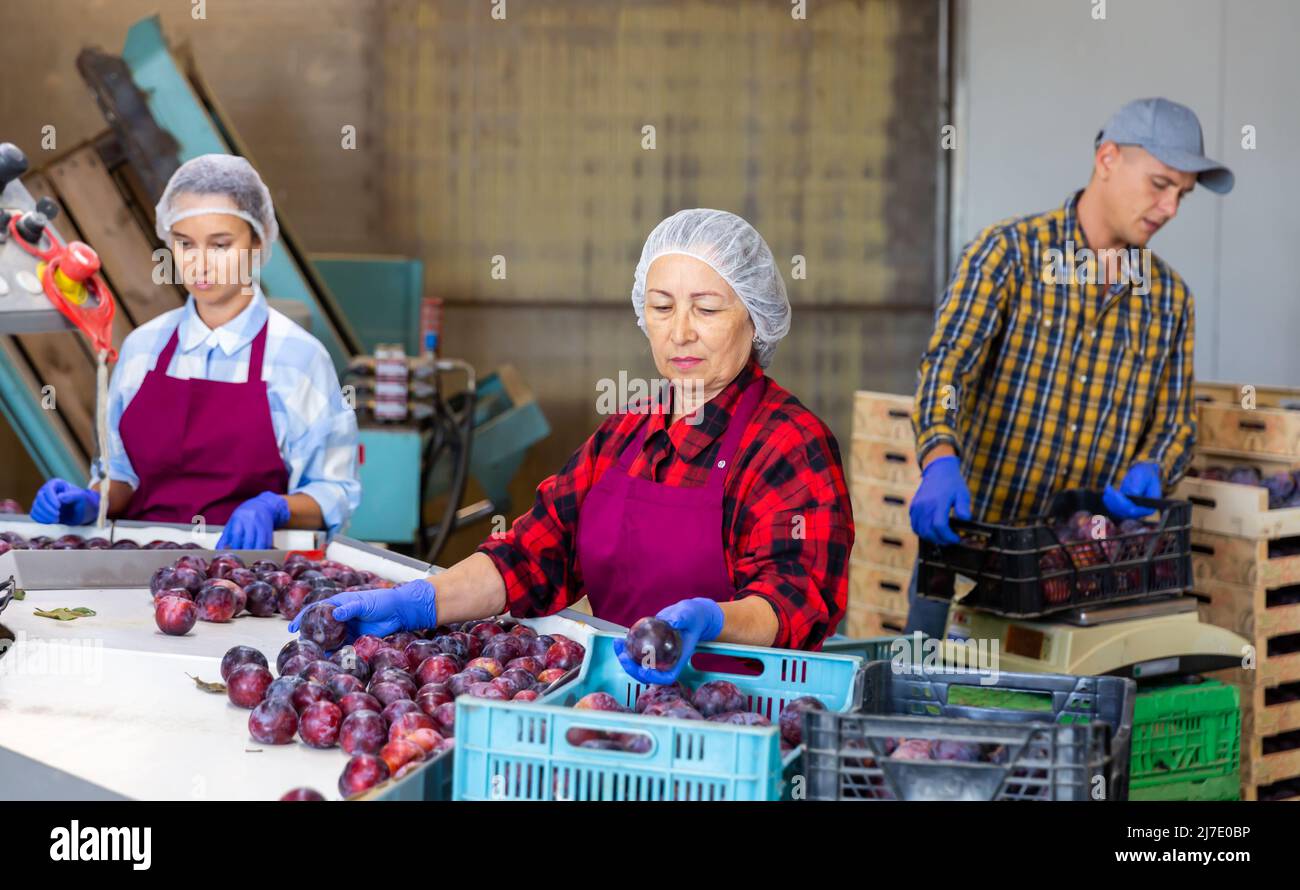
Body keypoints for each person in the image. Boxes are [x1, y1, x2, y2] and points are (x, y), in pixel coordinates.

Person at [294, 209, 854, 682]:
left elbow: (796, 601)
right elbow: (532, 554)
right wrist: (421, 599)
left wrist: (711, 621)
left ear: (755, 320)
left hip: (733, 713)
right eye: (662, 307)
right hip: (612, 703)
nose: (680, 331)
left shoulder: (790, 443)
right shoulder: (625, 434)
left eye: (707, 309)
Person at [906, 97, 1233, 636]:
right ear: (1107, 159)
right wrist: (939, 457)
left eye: (1182, 194)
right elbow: (947, 370)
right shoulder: (1008, 254)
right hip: (970, 555)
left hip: (1081, 574)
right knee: (934, 707)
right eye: (1159, 184)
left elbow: (1176, 422)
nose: (1171, 207)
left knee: (1069, 716)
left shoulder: (1170, 299)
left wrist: (1154, 465)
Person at [30, 154, 360, 548]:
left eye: (220, 245)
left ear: (257, 241)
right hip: (135, 573)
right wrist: (91, 501)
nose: (200, 264)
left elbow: (333, 491)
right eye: (185, 244)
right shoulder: (142, 349)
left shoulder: (299, 358)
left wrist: (275, 508)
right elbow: (122, 475)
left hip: (247, 580)